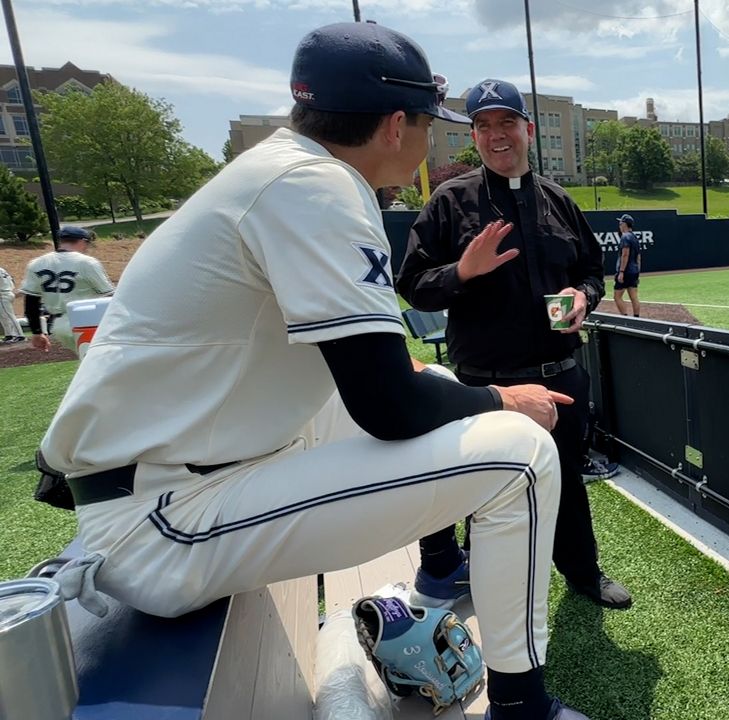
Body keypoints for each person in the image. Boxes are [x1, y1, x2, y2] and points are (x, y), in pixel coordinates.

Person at [41, 24, 589, 720]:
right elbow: (388, 406)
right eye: (429, 122)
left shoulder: (285, 167)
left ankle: (444, 567)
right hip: (164, 523)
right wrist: (503, 399)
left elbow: (358, 370)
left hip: (176, 472)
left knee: (447, 390)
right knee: (523, 455)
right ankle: (523, 706)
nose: (430, 138)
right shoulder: (317, 185)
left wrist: (455, 389)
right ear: (396, 126)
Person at [399, 77, 634, 612]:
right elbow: (411, 284)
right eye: (483, 126)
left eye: (506, 122)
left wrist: (583, 295)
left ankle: (582, 572)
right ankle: (479, 581)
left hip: (560, 377)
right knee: (483, 490)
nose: (495, 134)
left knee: (567, 480)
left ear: (528, 128)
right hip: (488, 383)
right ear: (474, 137)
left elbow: (593, 273)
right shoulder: (450, 201)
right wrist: (462, 271)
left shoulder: (557, 200)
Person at [19, 226, 115, 351]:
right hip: (88, 321)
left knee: (89, 360)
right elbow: (109, 295)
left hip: (59, 325)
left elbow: (31, 301)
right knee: (104, 361)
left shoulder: (37, 263)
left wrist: (37, 332)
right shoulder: (87, 262)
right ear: (82, 241)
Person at [612, 213, 642, 318]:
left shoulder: (625, 237)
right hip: (634, 271)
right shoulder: (635, 237)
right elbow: (638, 257)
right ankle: (636, 318)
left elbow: (625, 254)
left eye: (620, 223)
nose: (619, 225)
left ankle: (625, 318)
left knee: (617, 296)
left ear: (625, 224)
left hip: (626, 272)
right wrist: (638, 272)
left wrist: (621, 272)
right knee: (634, 297)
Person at [0, 264, 23, 343]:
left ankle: (20, 336)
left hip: (3, 295)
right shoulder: (2, 269)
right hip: (8, 293)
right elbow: (12, 280)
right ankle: (9, 335)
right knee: (3, 317)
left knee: (10, 316)